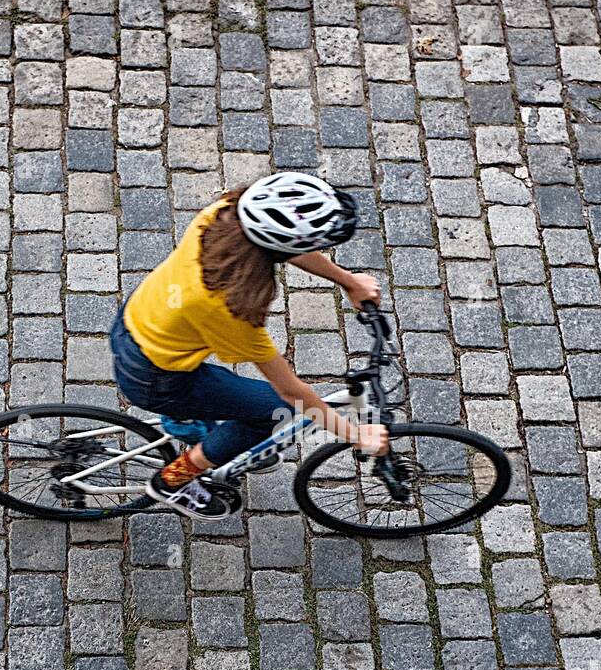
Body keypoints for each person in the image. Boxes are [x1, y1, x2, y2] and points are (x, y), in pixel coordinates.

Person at [110, 172, 391, 520]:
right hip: (155, 376)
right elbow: (292, 393)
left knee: (227, 403)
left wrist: (348, 281)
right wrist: (355, 434)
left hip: (136, 320)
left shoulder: (222, 214)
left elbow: (282, 248)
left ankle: (195, 429)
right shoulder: (227, 307)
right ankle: (172, 481)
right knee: (275, 412)